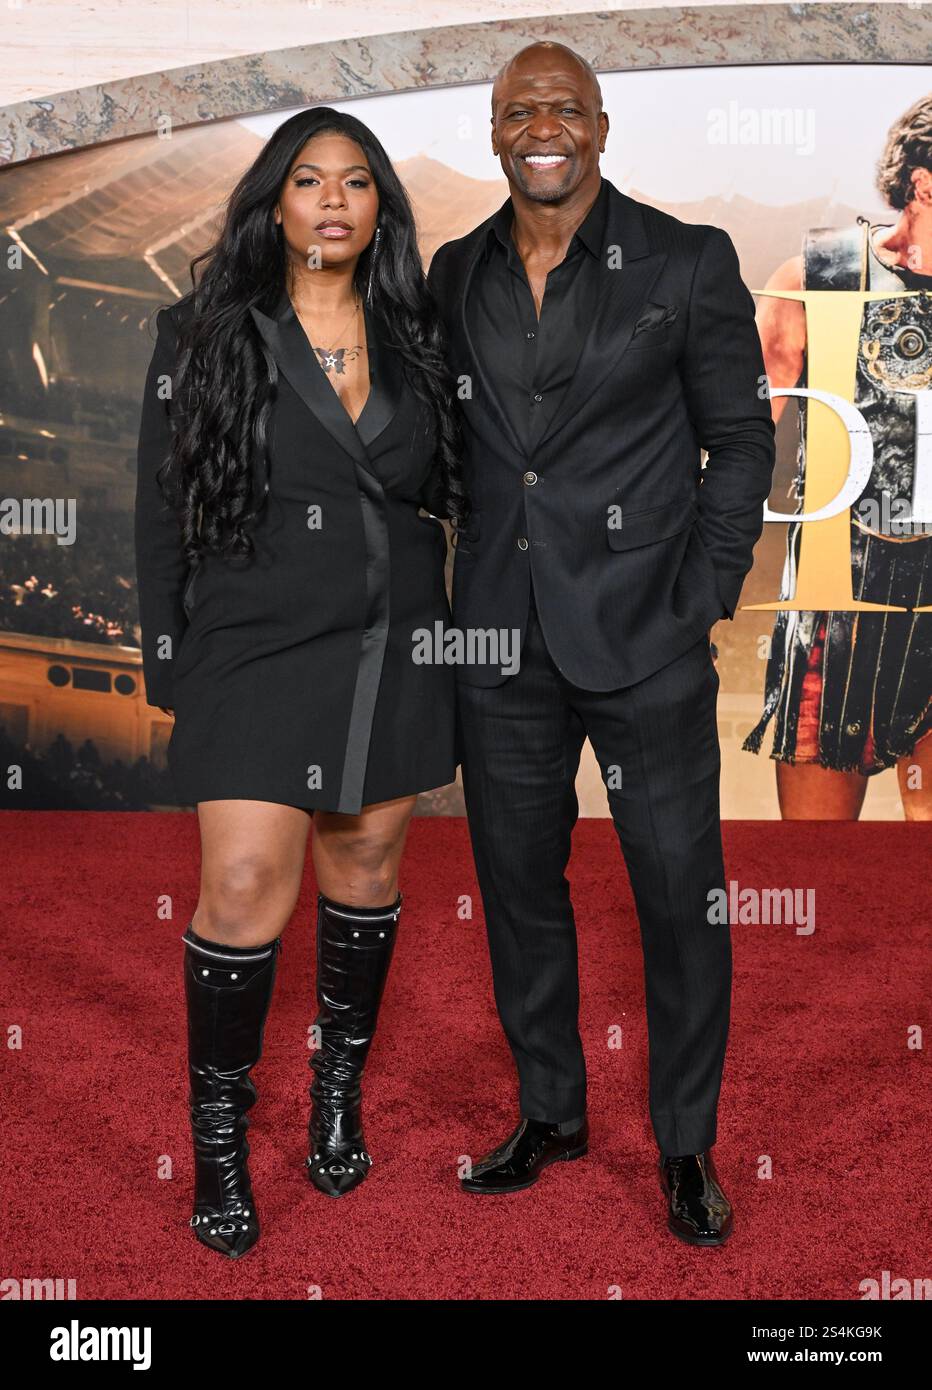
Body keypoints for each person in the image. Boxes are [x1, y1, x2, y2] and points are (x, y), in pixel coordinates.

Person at [427, 41, 775, 1245]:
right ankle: (550, 1111)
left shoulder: (685, 259)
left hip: (645, 638)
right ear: (490, 129)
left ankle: (683, 1143)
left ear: (600, 126)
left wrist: (699, 600)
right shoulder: (452, 270)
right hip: (496, 646)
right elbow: (452, 457)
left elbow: (739, 445)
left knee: (679, 898)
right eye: (517, 109)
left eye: (561, 108)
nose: (540, 126)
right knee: (518, 890)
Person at [135, 106, 466, 1259]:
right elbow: (156, 509)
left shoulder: (422, 332)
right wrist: (167, 659)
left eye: (357, 183)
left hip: (390, 638)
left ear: (381, 209)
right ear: (273, 201)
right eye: (309, 180)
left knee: (365, 864)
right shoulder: (202, 331)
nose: (332, 200)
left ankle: (336, 1093)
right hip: (251, 642)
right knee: (238, 880)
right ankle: (219, 1143)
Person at [743, 94, 932, 819]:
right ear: (923, 182)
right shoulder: (821, 275)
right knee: (819, 864)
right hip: (837, 609)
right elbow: (739, 435)